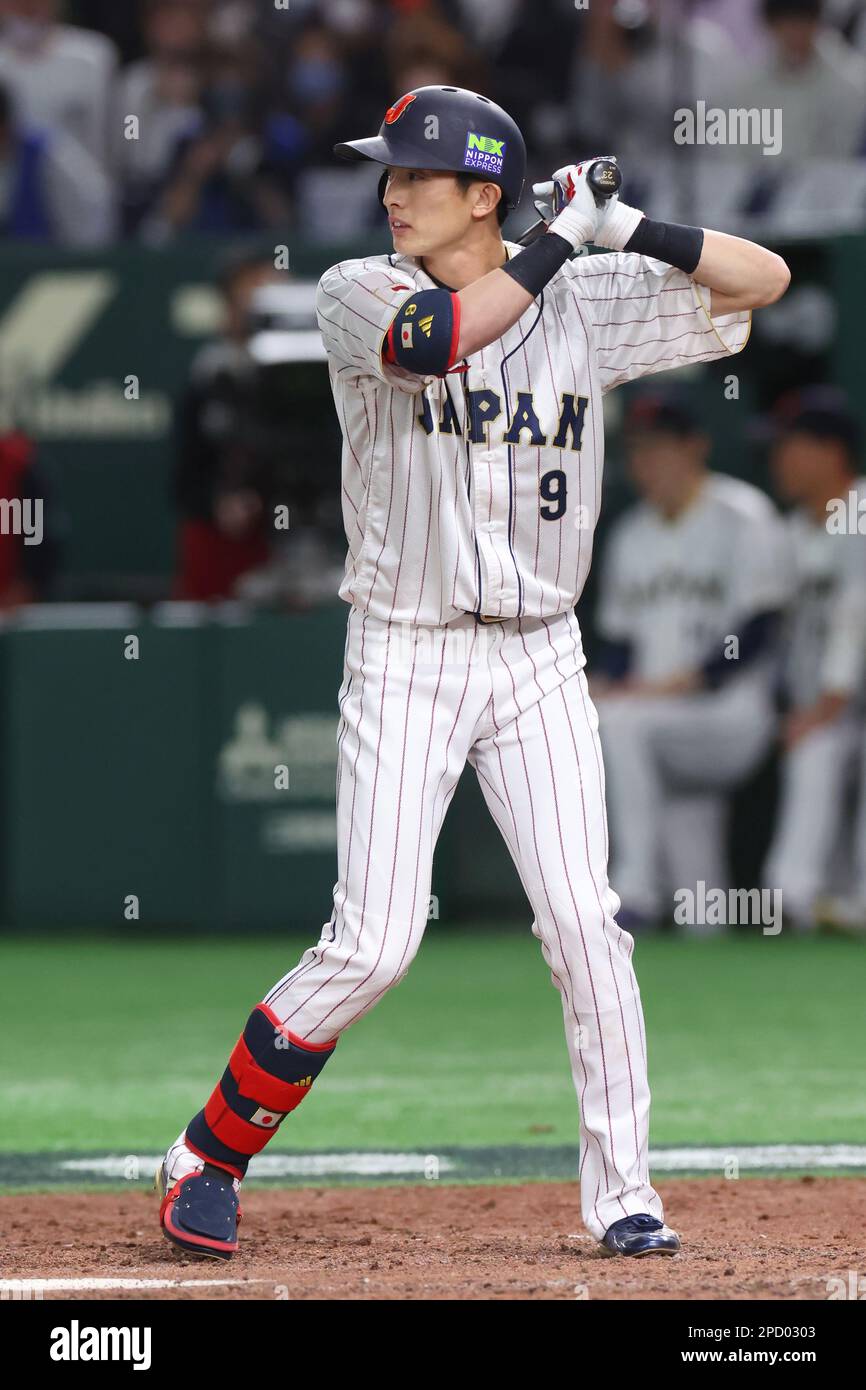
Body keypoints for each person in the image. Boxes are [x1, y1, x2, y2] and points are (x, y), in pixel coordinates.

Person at [154, 84, 789, 1261]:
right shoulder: (359, 292)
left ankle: (623, 1193)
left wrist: (623, 228)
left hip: (540, 650)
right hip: (408, 643)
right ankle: (208, 1152)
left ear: (480, 194)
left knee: (585, 926)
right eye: (388, 174)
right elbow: (436, 343)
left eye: (417, 176)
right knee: (376, 941)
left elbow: (763, 282)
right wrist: (558, 236)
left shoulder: (583, 300)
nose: (390, 192)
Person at [592, 388, 790, 933]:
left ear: (695, 447)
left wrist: (680, 683)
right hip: (667, 729)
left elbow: (760, 627)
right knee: (702, 903)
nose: (646, 462)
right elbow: (620, 644)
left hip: (729, 715)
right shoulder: (631, 535)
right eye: (637, 449)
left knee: (623, 724)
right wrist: (604, 681)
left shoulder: (743, 514)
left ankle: (632, 887)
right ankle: (709, 959)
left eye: (660, 447)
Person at [762, 388, 866, 930]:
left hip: (842, 699)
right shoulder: (789, 532)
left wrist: (823, 706)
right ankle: (794, 901)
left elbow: (854, 617)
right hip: (827, 707)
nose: (780, 459)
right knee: (816, 750)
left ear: (831, 451)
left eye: (791, 446)